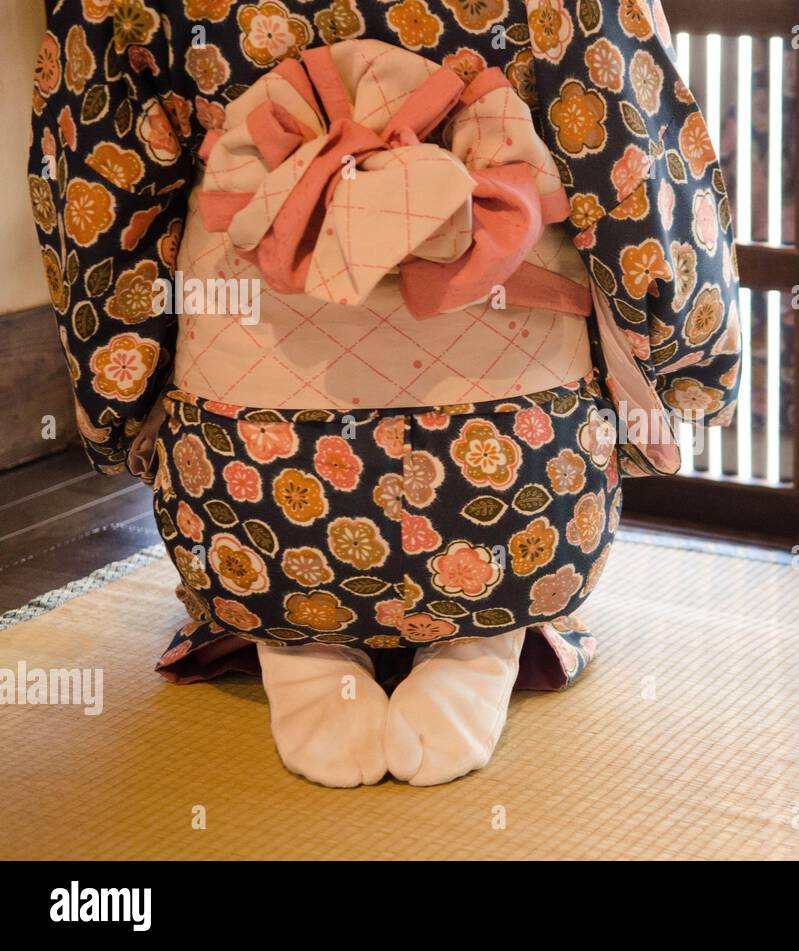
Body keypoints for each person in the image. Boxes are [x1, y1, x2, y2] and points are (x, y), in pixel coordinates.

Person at [30, 0, 741, 787]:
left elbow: (96, 188)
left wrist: (117, 401)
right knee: (510, 540)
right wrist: (682, 361)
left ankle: (301, 650)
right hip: (526, 467)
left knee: (266, 542)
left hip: (248, 478)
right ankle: (480, 643)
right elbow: (633, 155)